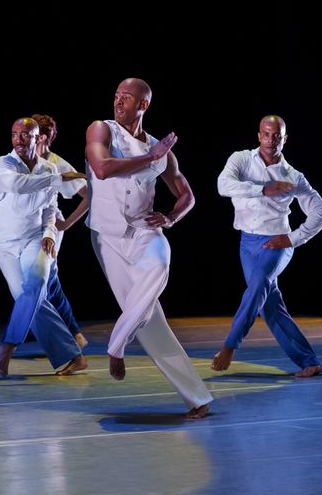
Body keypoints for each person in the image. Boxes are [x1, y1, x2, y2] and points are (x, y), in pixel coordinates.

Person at [85, 78, 212, 419]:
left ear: (143, 105)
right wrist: (149, 158)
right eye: (116, 96)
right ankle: (197, 397)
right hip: (109, 237)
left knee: (160, 264)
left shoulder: (160, 148)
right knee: (150, 319)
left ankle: (116, 343)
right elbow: (101, 167)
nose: (118, 102)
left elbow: (187, 195)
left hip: (143, 229)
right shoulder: (102, 130)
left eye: (126, 98)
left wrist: (171, 217)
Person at [211, 115, 322, 378]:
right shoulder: (241, 160)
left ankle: (230, 345)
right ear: (258, 135)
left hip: (276, 243)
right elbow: (223, 185)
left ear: (284, 139)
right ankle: (309, 360)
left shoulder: (293, 176)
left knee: (257, 287)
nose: (270, 139)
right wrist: (263, 189)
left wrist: (293, 238)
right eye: (266, 134)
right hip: (246, 243)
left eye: (276, 135)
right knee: (270, 304)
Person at [0, 118, 88, 378]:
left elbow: (49, 208)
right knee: (30, 296)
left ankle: (9, 345)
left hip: (36, 237)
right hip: (5, 243)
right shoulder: (3, 164)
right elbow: (16, 185)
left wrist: (50, 233)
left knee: (37, 283)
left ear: (38, 139)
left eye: (25, 135)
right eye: (14, 134)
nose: (19, 139)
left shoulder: (49, 167)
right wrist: (56, 179)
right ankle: (72, 355)